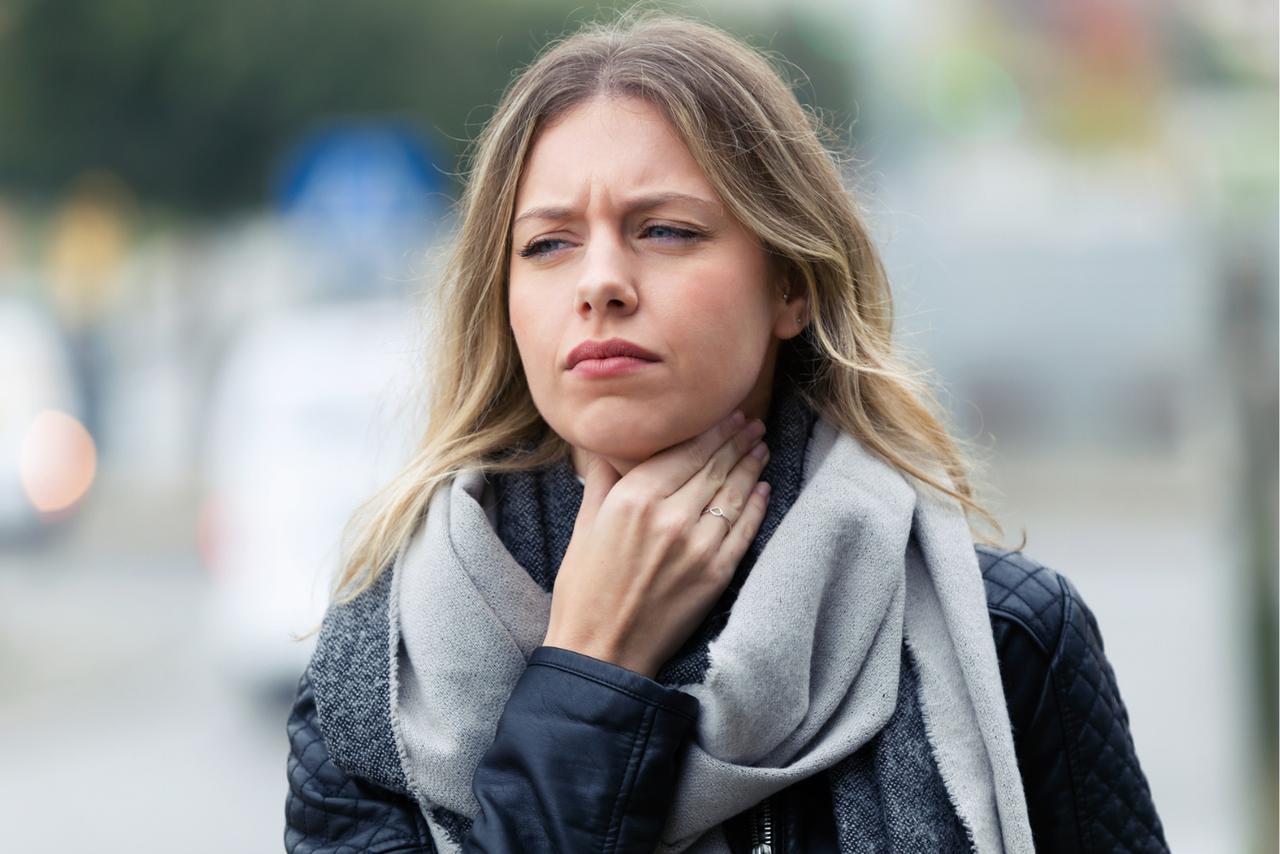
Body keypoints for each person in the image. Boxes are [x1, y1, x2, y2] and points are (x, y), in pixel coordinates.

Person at [284, 11, 1169, 854]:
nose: (601, 283)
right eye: (549, 244)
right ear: (504, 302)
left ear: (791, 287)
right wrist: (590, 669)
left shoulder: (1008, 636)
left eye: (665, 230)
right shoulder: (378, 680)